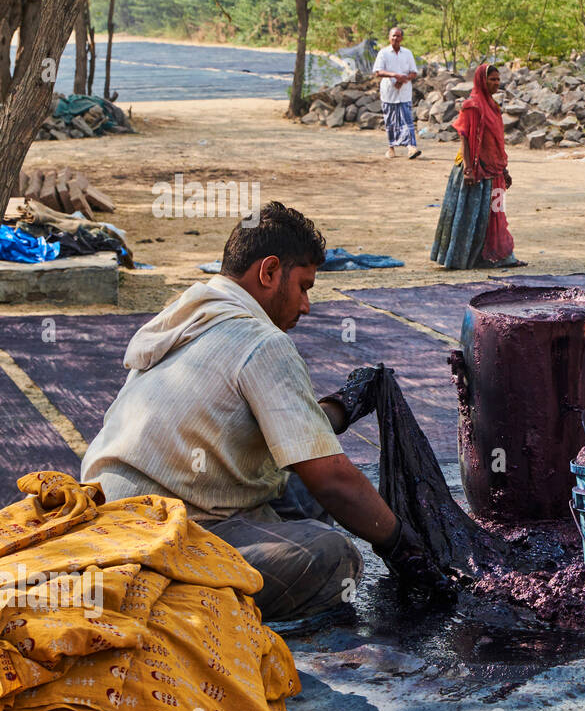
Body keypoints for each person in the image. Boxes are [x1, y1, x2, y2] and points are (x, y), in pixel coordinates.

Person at [81, 202, 441, 622]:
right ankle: (206, 616)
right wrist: (403, 547)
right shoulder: (262, 342)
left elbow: (294, 437)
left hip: (106, 519)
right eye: (304, 287)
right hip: (159, 540)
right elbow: (334, 481)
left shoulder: (190, 315)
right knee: (334, 557)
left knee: (295, 482)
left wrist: (345, 404)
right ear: (269, 273)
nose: (306, 306)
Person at [430, 63, 523, 269]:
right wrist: (468, 169)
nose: (496, 83)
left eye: (498, 80)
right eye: (492, 79)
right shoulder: (472, 106)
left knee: (496, 213)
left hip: (494, 170)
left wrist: (504, 169)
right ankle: (461, 257)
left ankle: (500, 255)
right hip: (474, 170)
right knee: (469, 216)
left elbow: (496, 140)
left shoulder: (493, 106)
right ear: (482, 80)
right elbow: (464, 136)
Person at [373, 26, 422, 160]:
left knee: (407, 120)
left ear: (402, 38)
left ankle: (411, 147)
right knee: (390, 121)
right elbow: (378, 72)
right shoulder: (383, 53)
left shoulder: (407, 53)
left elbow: (413, 72)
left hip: (404, 92)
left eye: (398, 36)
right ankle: (391, 148)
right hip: (389, 92)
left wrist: (403, 79)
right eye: (393, 36)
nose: (395, 38)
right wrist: (394, 75)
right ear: (389, 38)